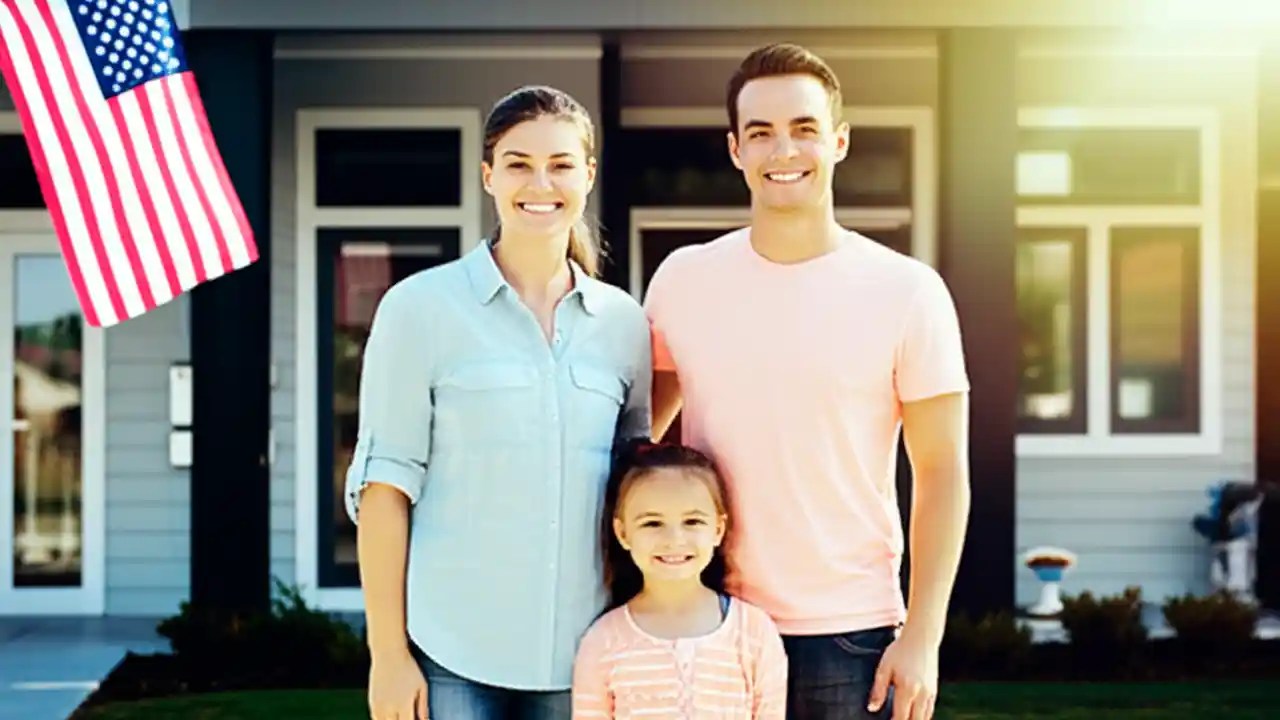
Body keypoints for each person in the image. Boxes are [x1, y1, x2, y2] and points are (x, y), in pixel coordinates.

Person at [643, 43, 971, 720]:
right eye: (760, 133)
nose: (782, 149)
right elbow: (632, 436)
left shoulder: (908, 291)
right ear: (736, 150)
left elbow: (941, 472)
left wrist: (923, 636)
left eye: (803, 129)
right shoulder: (682, 281)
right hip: (708, 618)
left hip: (846, 635)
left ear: (839, 141)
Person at [346, 85, 652, 720]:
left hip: (586, 655)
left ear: (588, 175)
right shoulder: (417, 310)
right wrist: (388, 655)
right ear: (488, 176)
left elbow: (636, 483)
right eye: (518, 163)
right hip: (451, 655)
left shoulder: (623, 324)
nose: (540, 182)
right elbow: (383, 492)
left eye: (562, 164)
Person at [571, 439, 787, 719]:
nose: (674, 539)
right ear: (622, 533)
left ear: (718, 529)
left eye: (693, 522)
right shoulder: (602, 642)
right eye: (652, 523)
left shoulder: (754, 633)